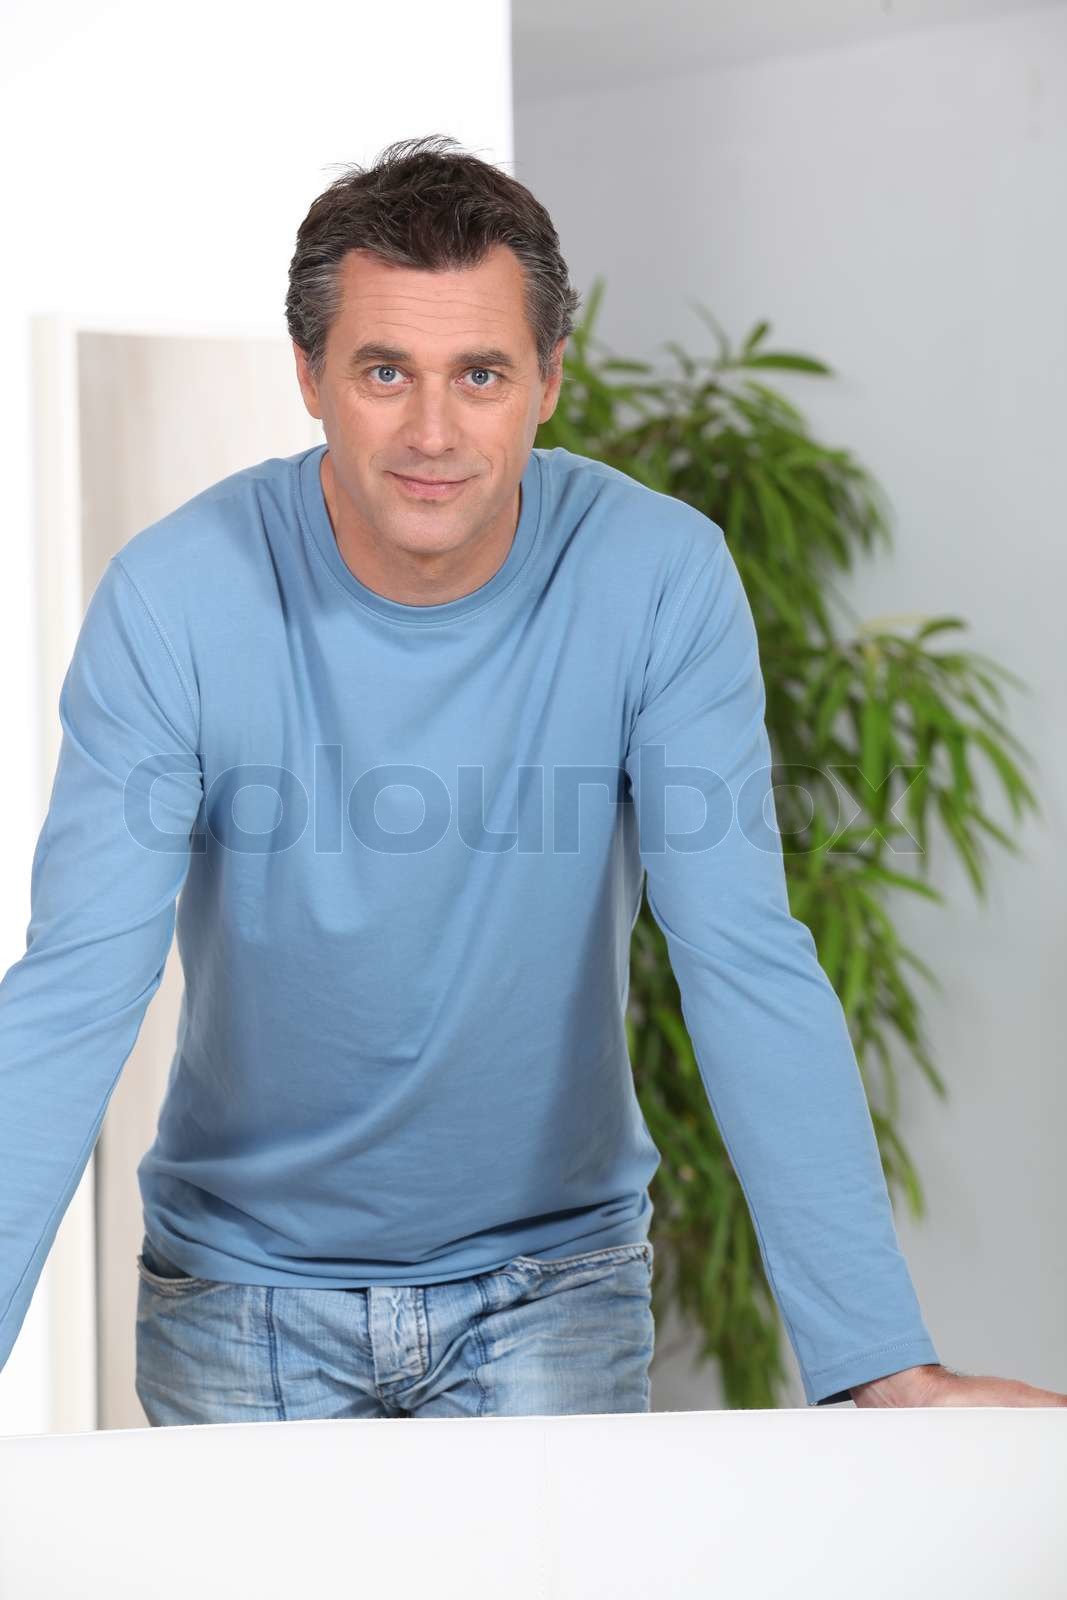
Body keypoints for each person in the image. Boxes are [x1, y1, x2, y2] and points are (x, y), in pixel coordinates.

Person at [0, 134, 1061, 1424]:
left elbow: (740, 953)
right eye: (384, 370)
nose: (433, 430)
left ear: (548, 380)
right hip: (243, 1301)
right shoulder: (174, 598)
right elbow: (74, 986)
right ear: (308, 377)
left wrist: (878, 1361)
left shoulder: (660, 578)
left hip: (548, 1288)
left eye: (482, 373)